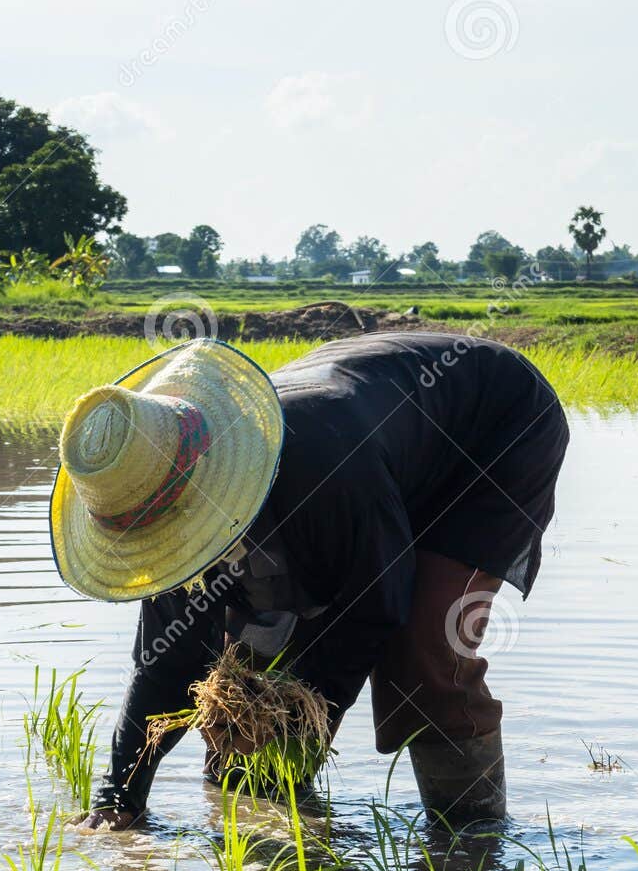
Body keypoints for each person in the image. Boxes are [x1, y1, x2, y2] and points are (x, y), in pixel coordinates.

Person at [49, 333, 568, 831]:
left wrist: (294, 719)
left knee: (424, 653)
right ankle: (270, 832)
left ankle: (470, 840)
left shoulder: (325, 469)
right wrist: (119, 796)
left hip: (490, 428)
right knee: (242, 680)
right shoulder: (157, 487)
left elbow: (374, 606)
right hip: (378, 437)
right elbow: (165, 662)